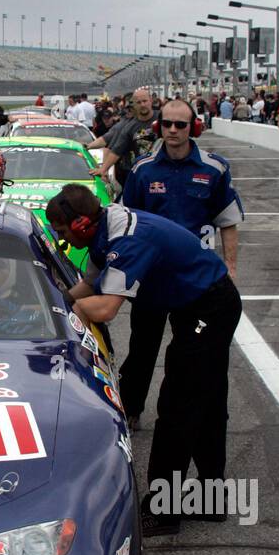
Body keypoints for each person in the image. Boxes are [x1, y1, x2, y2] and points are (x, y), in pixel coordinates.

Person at [46, 185, 242, 535]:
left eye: (61, 231)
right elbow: (87, 286)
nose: (60, 238)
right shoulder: (106, 227)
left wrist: (70, 311)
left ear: (80, 224)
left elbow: (103, 308)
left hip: (210, 307)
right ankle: (212, 500)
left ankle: (164, 512)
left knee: (178, 405)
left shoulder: (130, 241)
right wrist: (48, 306)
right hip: (195, 304)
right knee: (207, 402)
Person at [118, 97, 243, 431]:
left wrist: (230, 266)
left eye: (181, 125)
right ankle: (131, 408)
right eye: (167, 124)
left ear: (194, 128)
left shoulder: (214, 168)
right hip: (152, 280)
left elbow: (228, 220)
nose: (173, 130)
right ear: (159, 126)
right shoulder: (142, 169)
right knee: (142, 349)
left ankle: (200, 412)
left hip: (196, 283)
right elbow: (125, 222)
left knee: (197, 349)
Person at [88, 85, 157, 189]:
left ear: (151, 101)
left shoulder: (163, 118)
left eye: (145, 101)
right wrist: (103, 169)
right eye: (138, 102)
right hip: (141, 174)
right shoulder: (128, 127)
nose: (142, 105)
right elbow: (116, 150)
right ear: (134, 105)